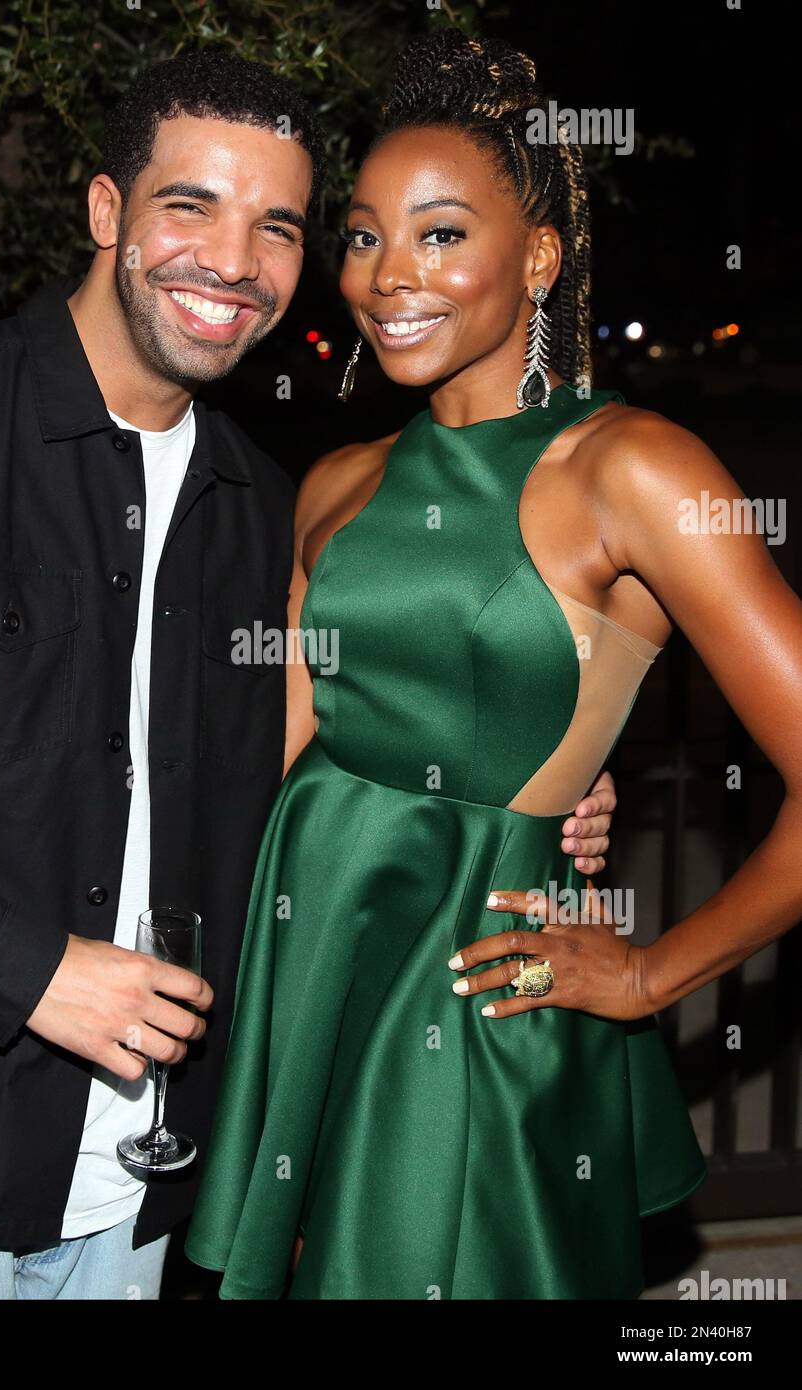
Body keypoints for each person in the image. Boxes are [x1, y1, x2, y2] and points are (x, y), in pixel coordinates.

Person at [0, 48, 610, 1301]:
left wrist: (525, 778)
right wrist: (27, 966)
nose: (232, 261)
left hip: (148, 1190)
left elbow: (288, 771)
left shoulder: (260, 509)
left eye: (275, 226)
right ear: (106, 213)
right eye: (189, 205)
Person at [184, 31, 802, 1300]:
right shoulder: (337, 484)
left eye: (440, 234)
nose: (388, 275)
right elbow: (264, 763)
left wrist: (643, 972)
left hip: (478, 997)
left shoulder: (636, 468)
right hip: (315, 977)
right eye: (361, 235)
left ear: (536, 257)